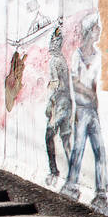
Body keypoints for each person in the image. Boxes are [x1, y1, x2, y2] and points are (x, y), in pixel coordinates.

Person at [61, 15, 108, 212]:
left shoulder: (98, 56)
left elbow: (96, 83)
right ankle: (71, 185)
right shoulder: (77, 55)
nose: (99, 31)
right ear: (89, 31)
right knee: (78, 149)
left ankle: (101, 193)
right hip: (82, 109)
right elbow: (75, 83)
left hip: (92, 110)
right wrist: (89, 94)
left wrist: (95, 99)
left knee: (100, 151)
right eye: (96, 28)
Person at [43, 25, 73, 180]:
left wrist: (48, 86)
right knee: (66, 139)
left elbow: (56, 84)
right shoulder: (62, 60)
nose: (52, 44)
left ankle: (54, 169)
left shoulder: (55, 61)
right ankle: (73, 171)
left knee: (49, 137)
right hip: (66, 102)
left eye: (54, 41)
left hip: (59, 103)